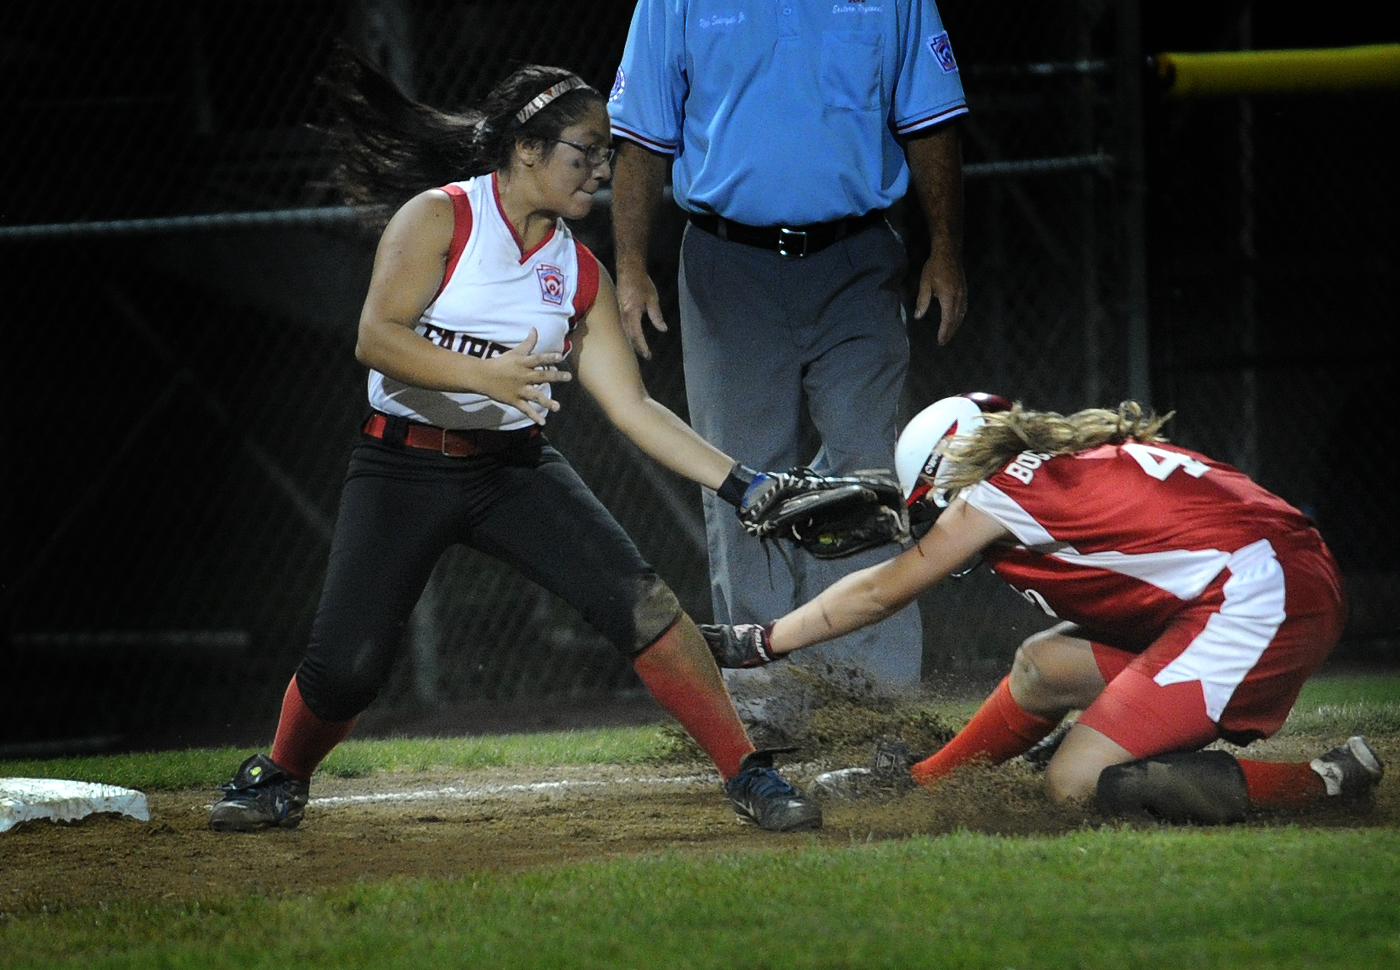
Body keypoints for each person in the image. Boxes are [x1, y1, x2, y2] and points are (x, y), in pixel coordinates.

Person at [207, 47, 823, 834]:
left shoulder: (581, 270)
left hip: (512, 469)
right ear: (527, 150)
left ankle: (748, 773)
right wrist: (486, 377)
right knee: (347, 669)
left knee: (643, 607)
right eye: (586, 151)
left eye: (608, 152)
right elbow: (376, 337)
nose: (601, 168)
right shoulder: (441, 216)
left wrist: (746, 485)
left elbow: (633, 409)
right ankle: (278, 775)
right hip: (402, 463)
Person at [702, 395, 1384, 823]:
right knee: (1042, 667)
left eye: (925, 508)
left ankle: (1321, 780)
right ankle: (925, 784)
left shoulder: (992, 494)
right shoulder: (1062, 460)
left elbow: (882, 590)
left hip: (1260, 602)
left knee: (1077, 785)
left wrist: (760, 641)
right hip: (1276, 581)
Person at [607, 0, 971, 740]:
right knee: (743, 476)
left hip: (858, 254)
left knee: (874, 473)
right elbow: (640, 138)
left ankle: (871, 699)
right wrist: (631, 267)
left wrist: (946, 251)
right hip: (724, 261)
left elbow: (931, 122)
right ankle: (767, 703)